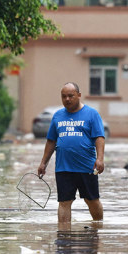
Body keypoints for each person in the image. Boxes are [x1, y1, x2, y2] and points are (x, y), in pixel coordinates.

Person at [37, 82, 106, 227]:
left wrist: (100, 159)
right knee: (64, 202)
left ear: (79, 96)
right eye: (64, 97)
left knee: (92, 200)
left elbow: (99, 137)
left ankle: (98, 227)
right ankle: (64, 236)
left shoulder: (92, 114)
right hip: (63, 167)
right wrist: (43, 163)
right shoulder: (57, 116)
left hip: (86, 167)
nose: (67, 99)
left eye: (71, 96)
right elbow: (51, 141)